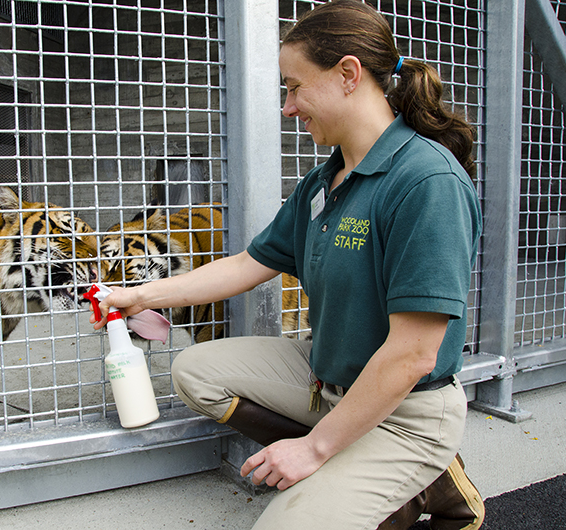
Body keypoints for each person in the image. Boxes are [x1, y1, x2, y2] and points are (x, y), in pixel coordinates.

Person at [90, 1, 484, 528]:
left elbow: (413, 355)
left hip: (406, 412)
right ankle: (367, 466)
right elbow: (249, 264)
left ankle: (410, 472)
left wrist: (312, 451)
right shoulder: (326, 182)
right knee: (195, 374)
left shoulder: (426, 183)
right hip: (327, 378)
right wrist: (139, 296)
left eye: (295, 86)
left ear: (348, 74)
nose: (287, 106)